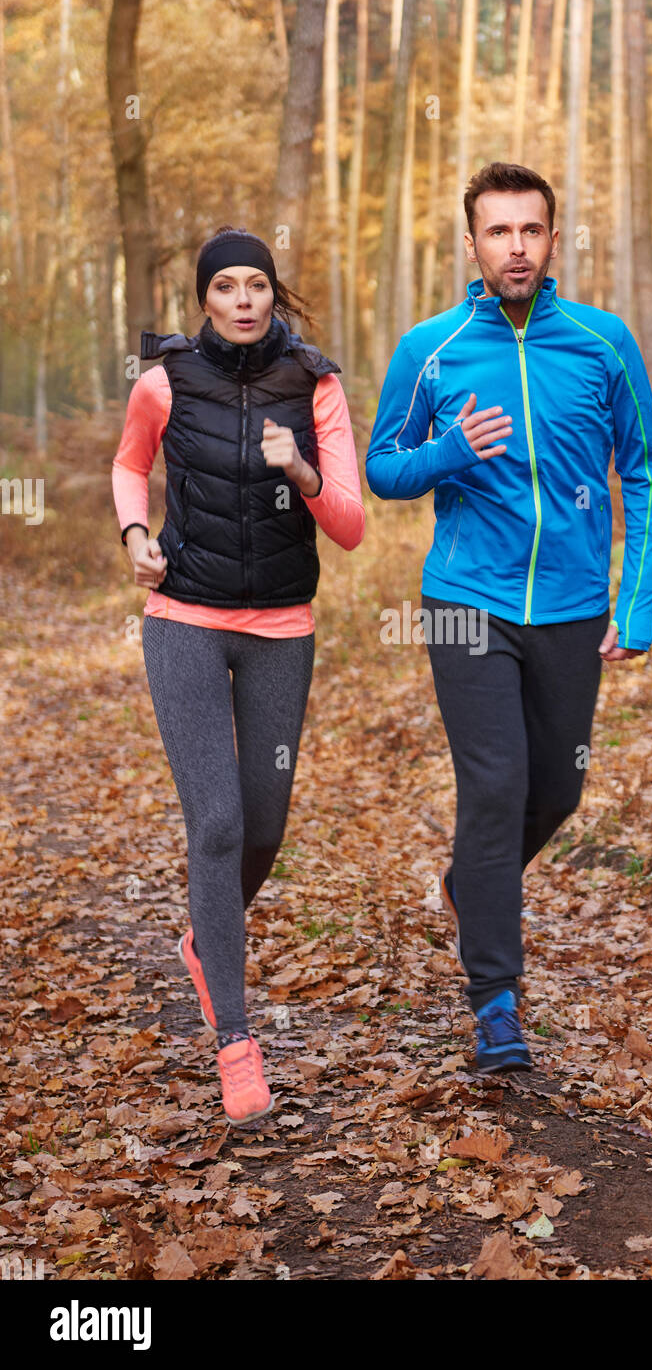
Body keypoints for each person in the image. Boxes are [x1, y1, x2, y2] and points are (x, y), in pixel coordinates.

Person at [366, 163, 652, 1074]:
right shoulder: (432, 347)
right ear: (471, 244)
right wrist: (449, 452)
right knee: (494, 788)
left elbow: (644, 471)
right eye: (497, 232)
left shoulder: (601, 343)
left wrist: (638, 596)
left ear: (553, 239)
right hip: (466, 599)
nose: (515, 247)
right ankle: (495, 1002)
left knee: (558, 791)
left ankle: (469, 883)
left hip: (573, 606)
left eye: (530, 231)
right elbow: (383, 467)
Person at [112, 226, 365, 1123]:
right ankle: (236, 1043)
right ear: (206, 299)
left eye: (259, 282)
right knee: (216, 824)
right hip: (184, 618)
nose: (246, 299)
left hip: (281, 627)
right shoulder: (165, 381)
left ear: (274, 291)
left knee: (263, 825)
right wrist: (138, 539)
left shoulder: (317, 384)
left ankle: (203, 937)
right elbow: (128, 464)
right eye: (228, 286)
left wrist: (298, 466)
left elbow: (350, 525)